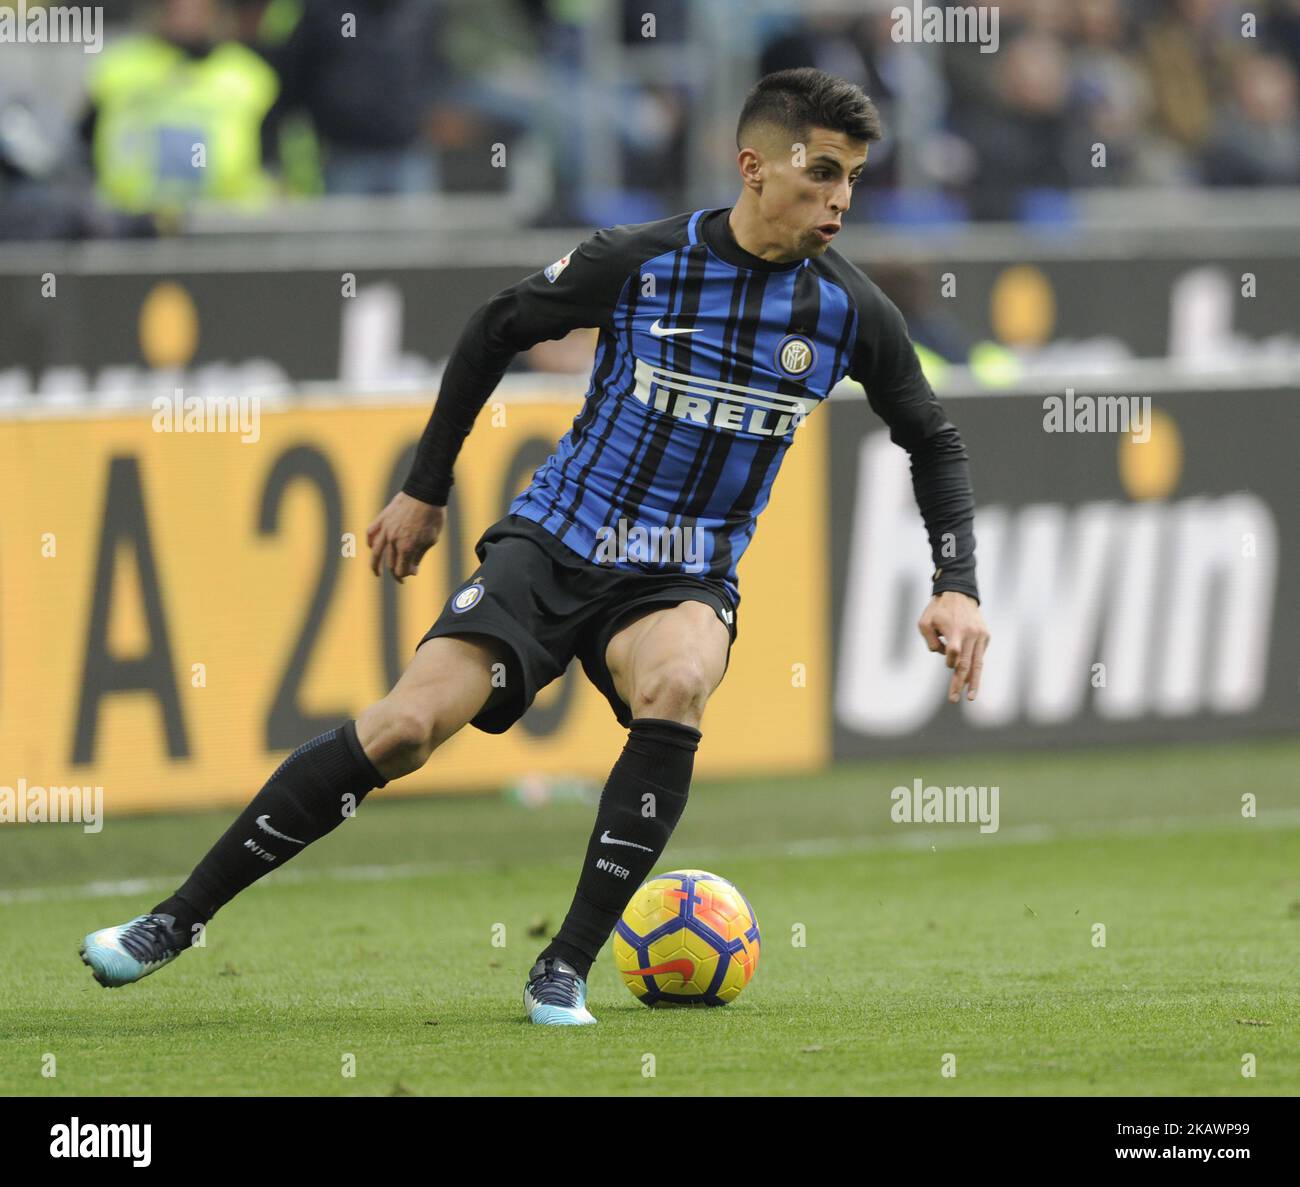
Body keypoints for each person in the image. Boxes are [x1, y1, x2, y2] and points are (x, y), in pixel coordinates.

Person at [79, 67, 990, 1025]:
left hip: (682, 575)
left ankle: (564, 965)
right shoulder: (642, 261)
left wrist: (957, 583)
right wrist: (425, 490)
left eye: (851, 179)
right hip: (557, 542)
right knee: (403, 729)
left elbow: (933, 436)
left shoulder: (850, 313)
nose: (840, 198)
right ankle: (172, 921)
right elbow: (495, 327)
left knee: (679, 679)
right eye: (822, 173)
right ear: (753, 167)